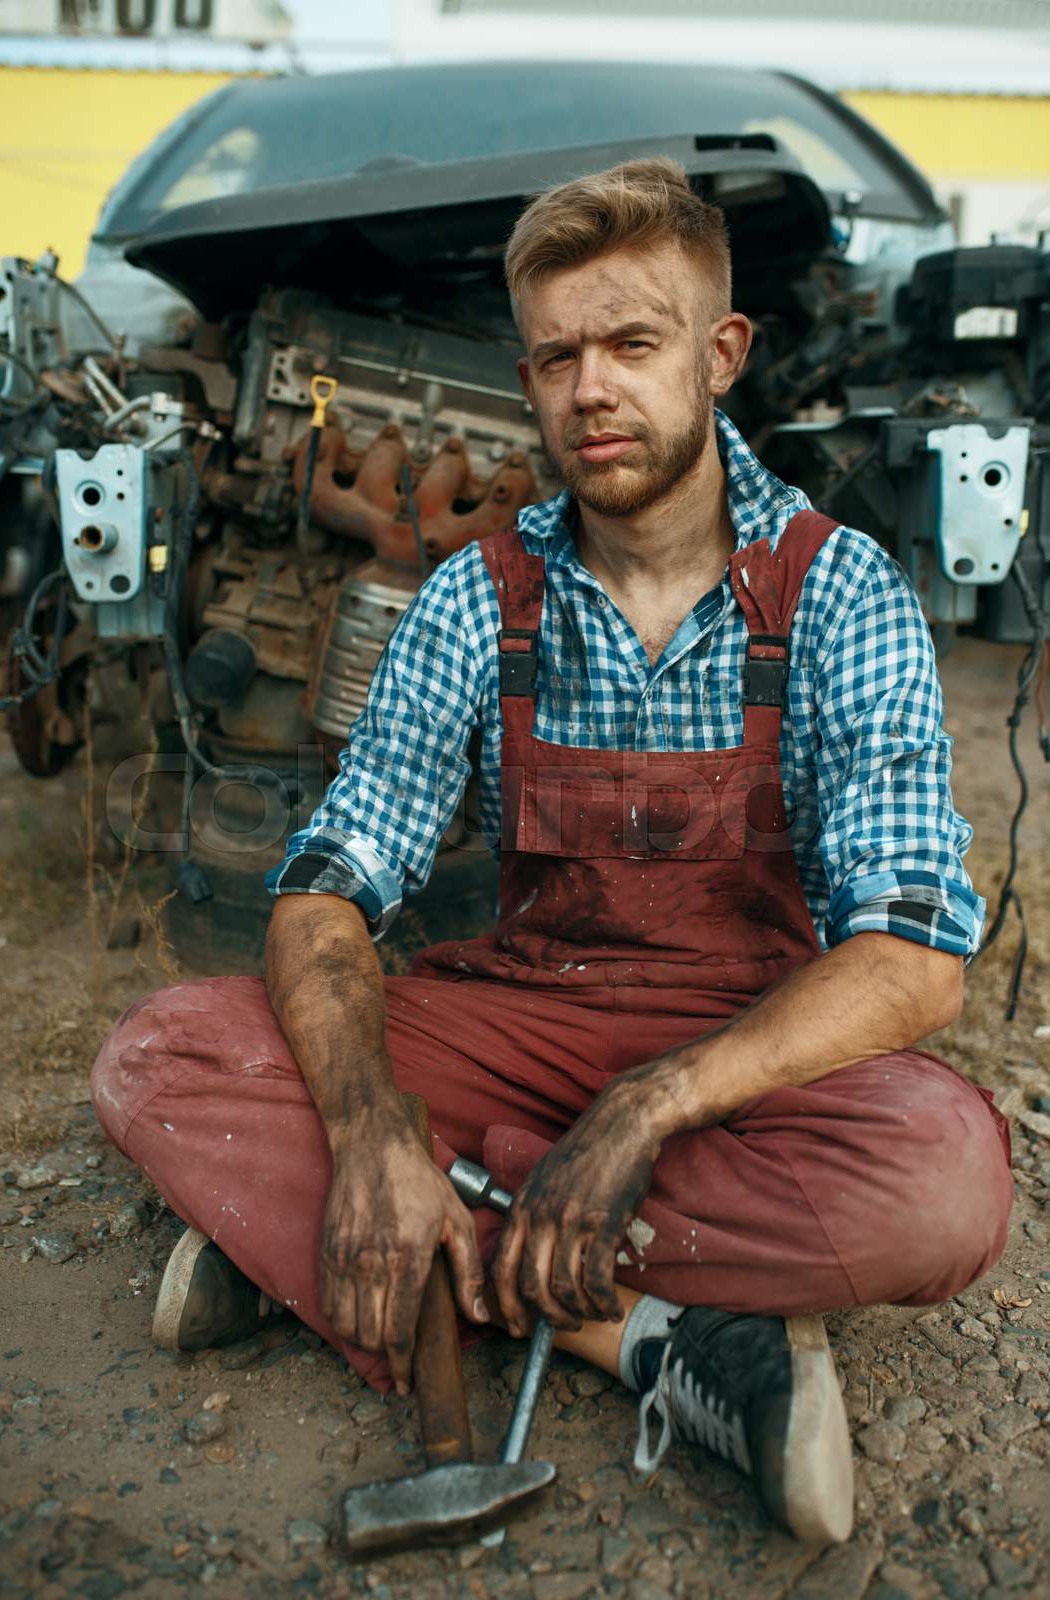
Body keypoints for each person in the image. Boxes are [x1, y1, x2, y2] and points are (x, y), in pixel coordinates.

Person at [91, 158, 1012, 1546]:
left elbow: (913, 961)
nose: (592, 390)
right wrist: (371, 1127)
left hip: (744, 1047)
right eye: (559, 357)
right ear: (525, 378)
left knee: (941, 1181)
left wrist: (646, 1110)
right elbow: (330, 885)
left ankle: (372, 1245)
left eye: (633, 345)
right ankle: (649, 1334)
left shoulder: (838, 591)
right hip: (524, 1015)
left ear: (719, 356)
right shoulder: (479, 596)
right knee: (161, 1054)